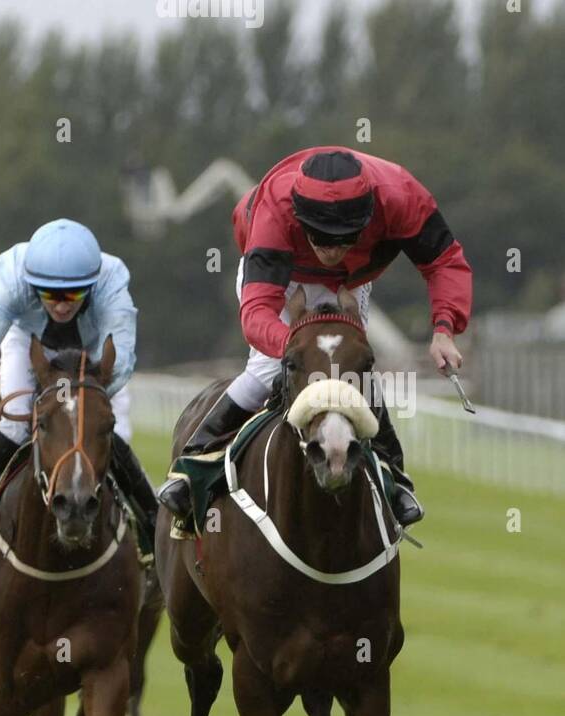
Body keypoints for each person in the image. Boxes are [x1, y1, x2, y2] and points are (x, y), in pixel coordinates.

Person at [158, 147, 472, 528]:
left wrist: (444, 329)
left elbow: (443, 260)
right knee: (266, 371)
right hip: (281, 272)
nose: (330, 249)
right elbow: (257, 313)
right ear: (300, 216)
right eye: (320, 238)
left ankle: (395, 480)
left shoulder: (401, 195)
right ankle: (193, 466)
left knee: (351, 369)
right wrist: (300, 351)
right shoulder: (276, 209)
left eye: (343, 238)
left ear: (368, 215)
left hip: (349, 280)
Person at [0, 219, 159, 573]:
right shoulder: (10, 278)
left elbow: (121, 358)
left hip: (90, 350)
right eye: (51, 295)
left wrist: (83, 404)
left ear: (91, 286)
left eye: (73, 295)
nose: (62, 305)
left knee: (108, 433)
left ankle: (152, 525)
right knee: (15, 424)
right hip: (28, 339)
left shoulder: (111, 279)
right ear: (33, 285)